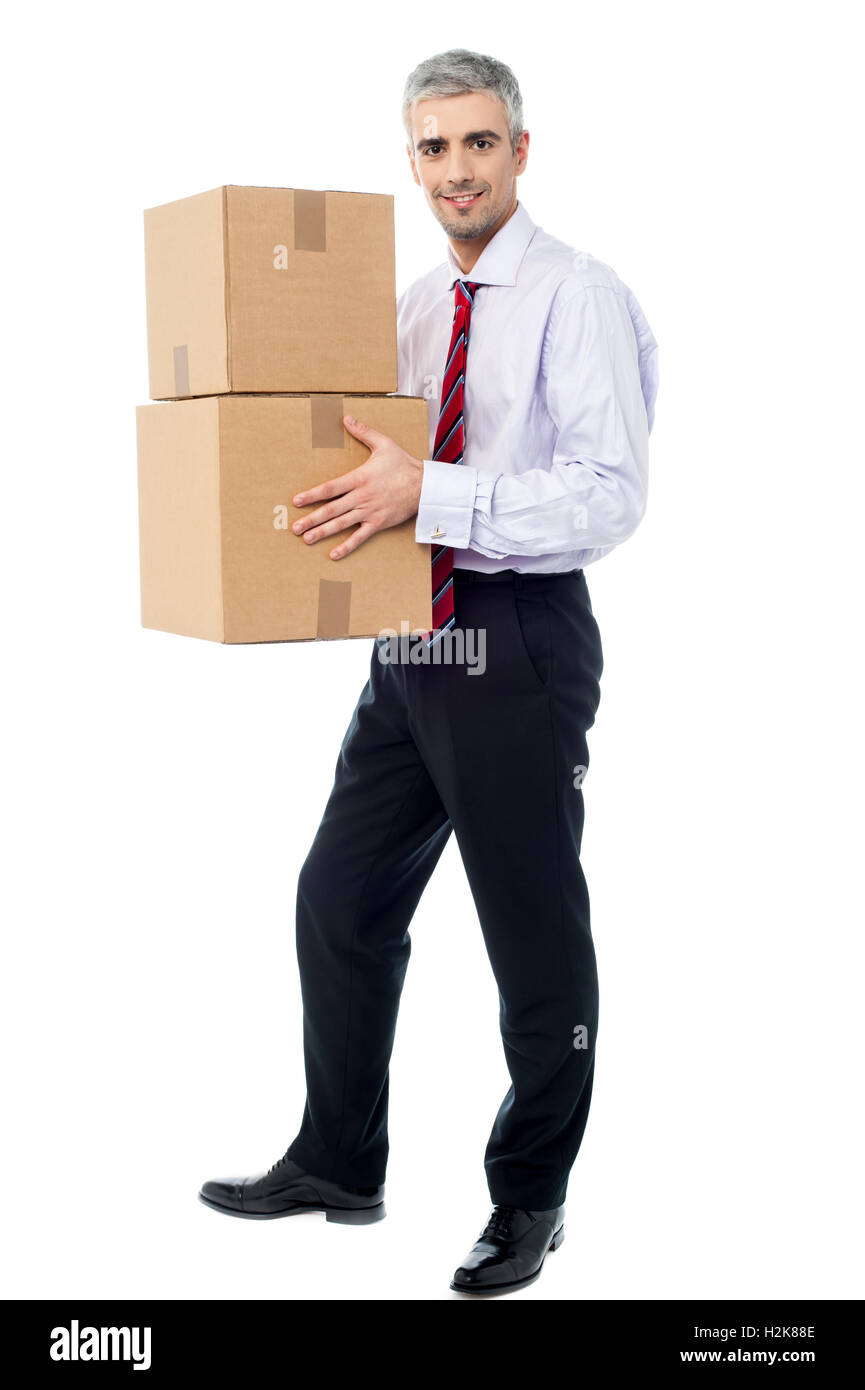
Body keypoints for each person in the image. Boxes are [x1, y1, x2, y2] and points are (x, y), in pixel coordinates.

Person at [199, 46, 659, 1297]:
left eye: (477, 142)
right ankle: (340, 1158)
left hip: (516, 638)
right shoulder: (410, 304)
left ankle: (530, 1198)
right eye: (431, 146)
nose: (455, 168)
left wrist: (433, 493)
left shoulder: (579, 295)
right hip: (414, 638)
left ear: (520, 149)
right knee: (338, 898)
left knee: (530, 934)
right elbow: (368, 464)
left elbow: (610, 498)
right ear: (410, 160)